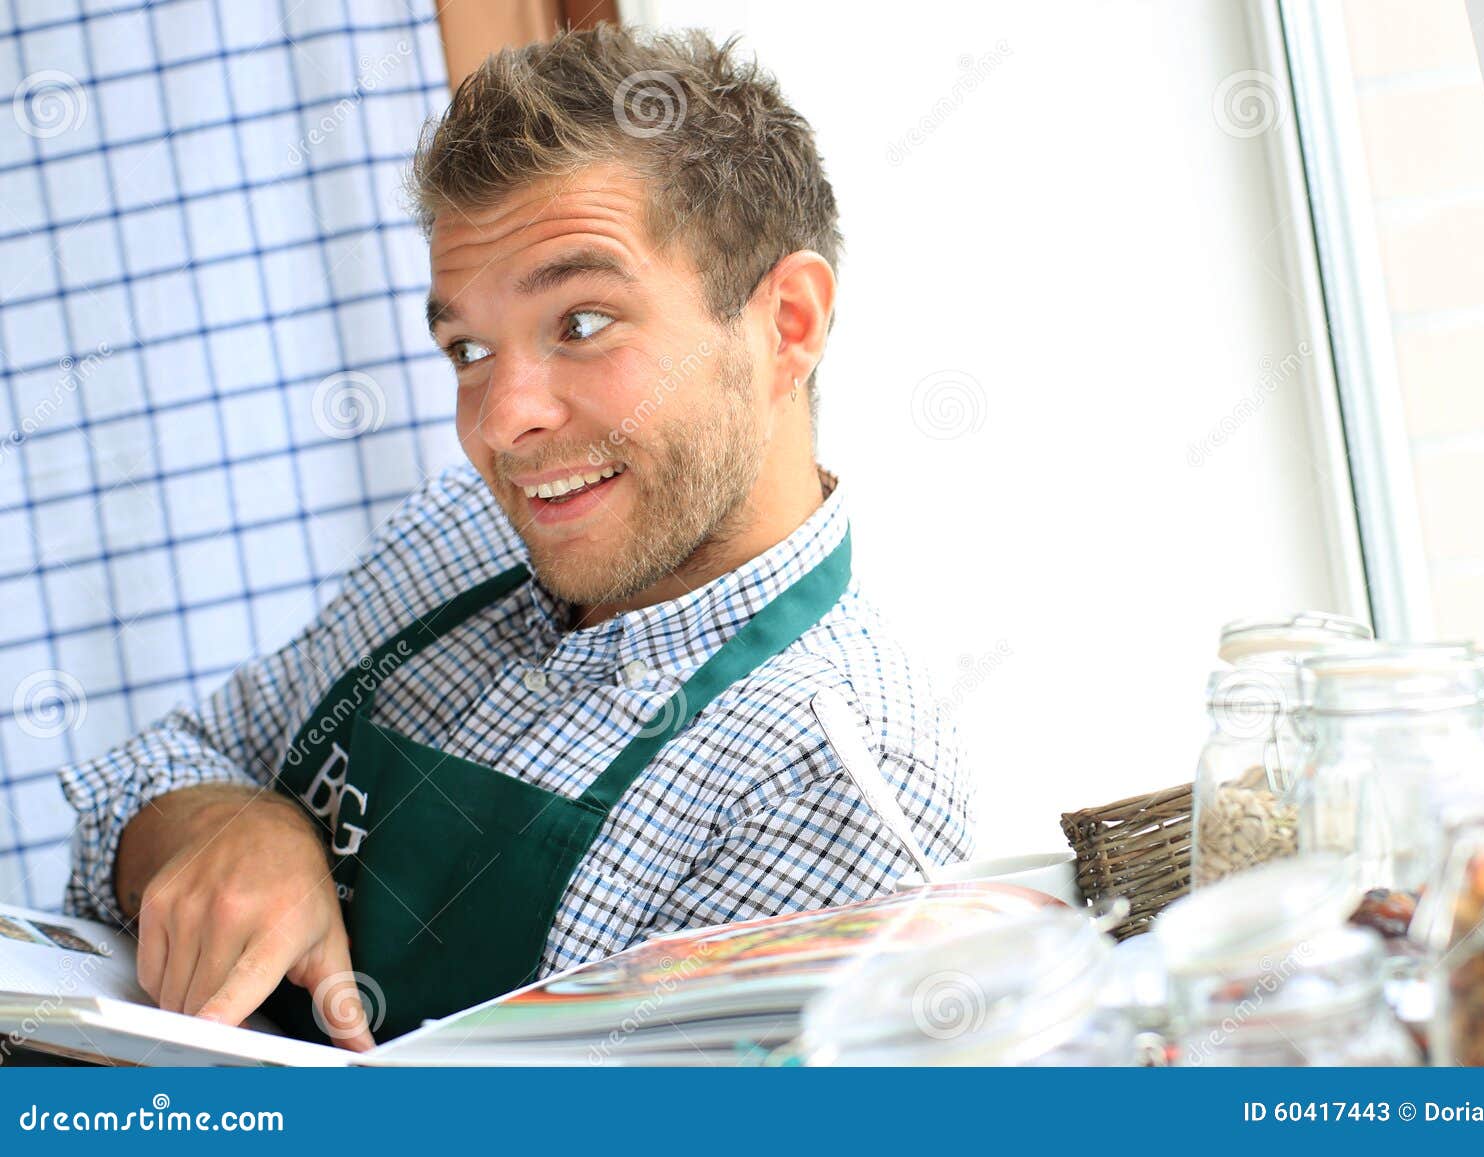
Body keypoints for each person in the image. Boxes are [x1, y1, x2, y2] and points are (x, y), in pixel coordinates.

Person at [59, 25, 971, 1049]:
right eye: (469, 348)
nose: (499, 422)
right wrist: (228, 825)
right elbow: (148, 773)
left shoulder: (830, 776)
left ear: (787, 324)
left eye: (582, 323)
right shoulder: (458, 536)